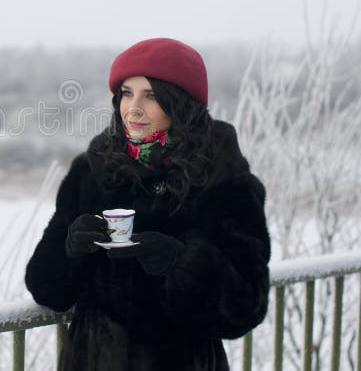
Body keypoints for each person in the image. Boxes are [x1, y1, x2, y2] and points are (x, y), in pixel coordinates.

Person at [25, 38, 270, 371]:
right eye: (127, 93)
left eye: (150, 95)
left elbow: (246, 307)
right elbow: (46, 289)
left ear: (181, 102)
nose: (134, 108)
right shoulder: (93, 172)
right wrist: (71, 247)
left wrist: (179, 262)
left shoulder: (222, 179)